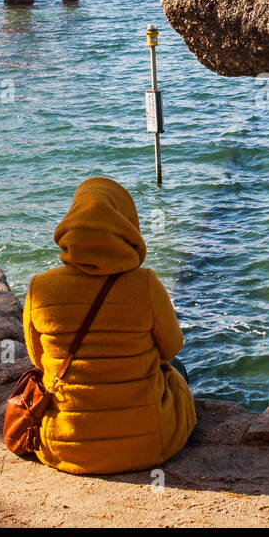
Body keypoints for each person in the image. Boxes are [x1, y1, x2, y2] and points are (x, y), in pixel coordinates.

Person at [22, 177, 196, 474]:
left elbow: (39, 360)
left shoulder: (40, 288)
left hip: (64, 445)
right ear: (126, 225)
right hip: (148, 444)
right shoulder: (146, 285)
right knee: (177, 369)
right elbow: (172, 348)